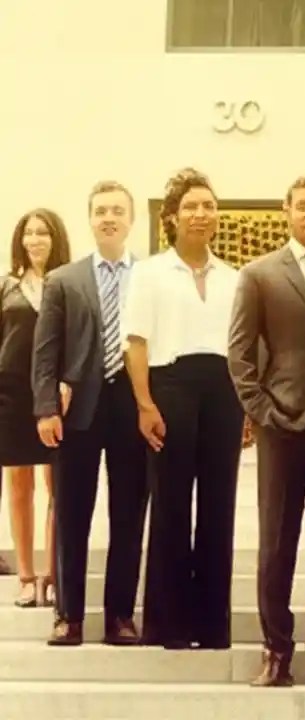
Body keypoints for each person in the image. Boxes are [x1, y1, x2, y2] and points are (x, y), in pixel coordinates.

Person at [122, 168, 245, 650]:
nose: (201, 214)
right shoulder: (150, 273)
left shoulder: (235, 277)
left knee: (219, 507)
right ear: (172, 217)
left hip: (223, 390)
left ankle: (211, 626)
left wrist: (246, 408)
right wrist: (145, 403)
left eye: (208, 206)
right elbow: (135, 342)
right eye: (191, 206)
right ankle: (168, 626)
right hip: (169, 387)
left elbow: (242, 348)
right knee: (171, 505)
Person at [227, 176, 305, 686]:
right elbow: (240, 352)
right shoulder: (259, 274)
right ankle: (276, 651)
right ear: (287, 211)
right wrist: (262, 410)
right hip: (283, 427)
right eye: (304, 207)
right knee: (276, 546)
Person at [33, 182, 149, 646]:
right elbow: (45, 353)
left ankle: (120, 616)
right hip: (76, 409)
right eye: (101, 210)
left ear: (130, 218)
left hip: (132, 406)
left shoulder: (151, 275)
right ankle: (69, 616)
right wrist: (44, 408)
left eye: (117, 210)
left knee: (128, 515)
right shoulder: (63, 279)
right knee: (72, 514)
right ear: (90, 218)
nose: (109, 218)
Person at [1, 208, 70, 608]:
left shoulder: (66, 285)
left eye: (43, 233)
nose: (36, 240)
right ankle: (26, 576)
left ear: (55, 239)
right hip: (10, 395)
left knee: (56, 486)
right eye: (29, 233)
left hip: (54, 396)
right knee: (19, 486)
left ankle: (53, 574)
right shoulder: (7, 287)